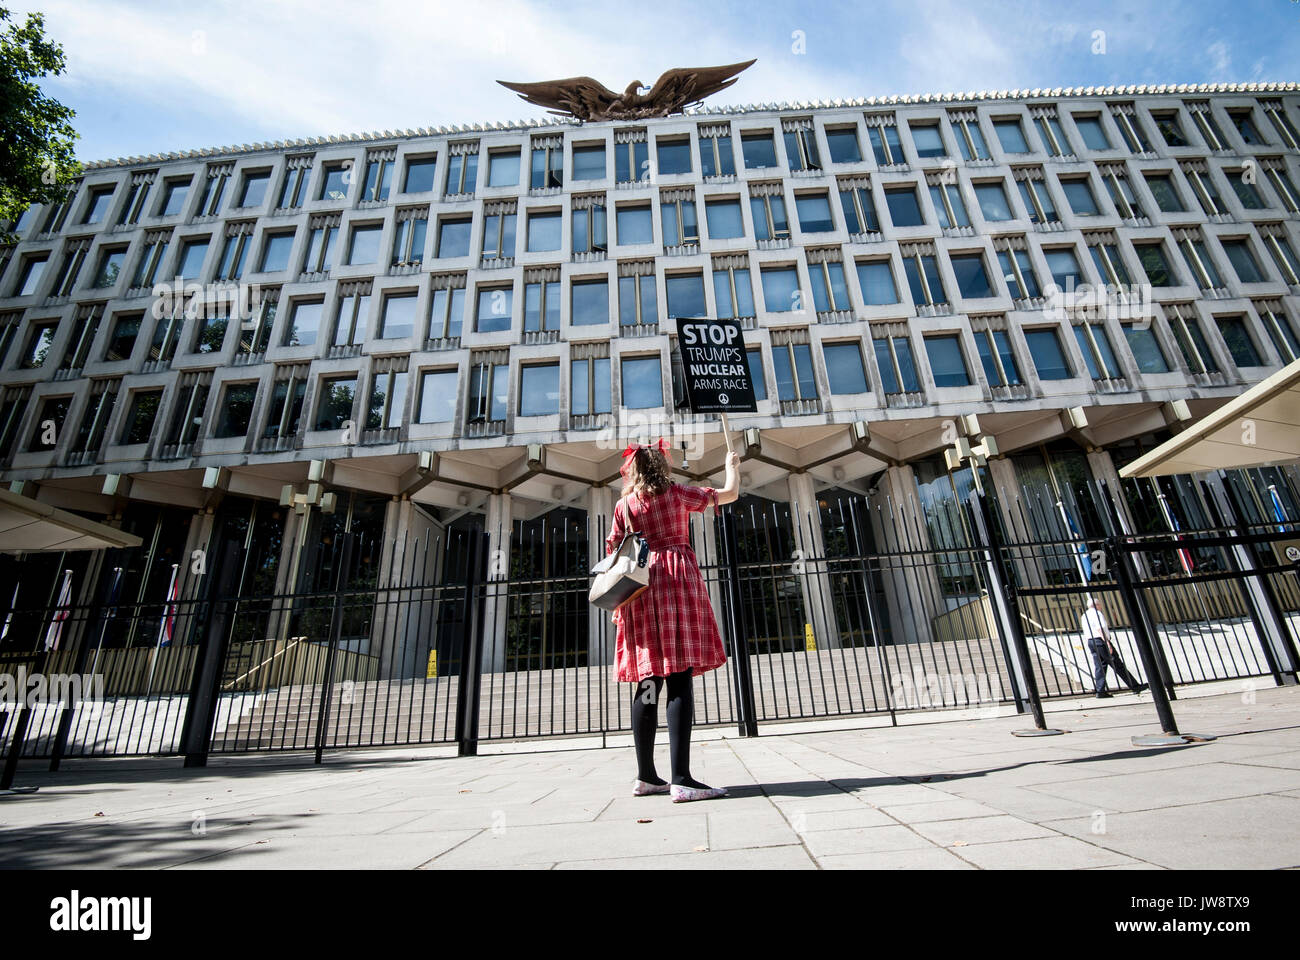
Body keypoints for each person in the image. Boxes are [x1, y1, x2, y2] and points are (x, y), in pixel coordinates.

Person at [605, 438, 740, 802]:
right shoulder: (679, 493)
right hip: (676, 582)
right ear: (662, 467)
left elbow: (615, 552)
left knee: (649, 681)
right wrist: (732, 467)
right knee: (679, 677)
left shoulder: (624, 506)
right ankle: (682, 777)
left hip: (640, 587)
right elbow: (727, 494)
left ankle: (647, 776)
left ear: (632, 469)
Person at [1080, 597, 1147, 698]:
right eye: (1100, 605)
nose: (1101, 607)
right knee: (1117, 663)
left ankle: (1100, 690)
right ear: (1096, 605)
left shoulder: (1084, 615)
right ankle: (1134, 686)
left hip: (1091, 641)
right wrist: (1107, 642)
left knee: (1100, 666)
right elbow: (1100, 628)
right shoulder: (1097, 614)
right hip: (1100, 640)